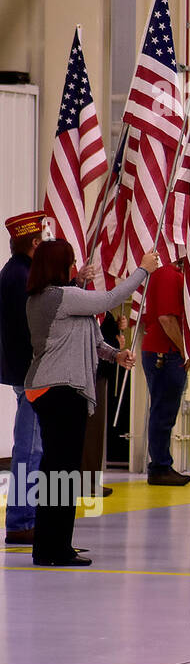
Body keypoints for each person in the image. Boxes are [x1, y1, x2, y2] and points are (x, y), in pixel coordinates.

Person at [25, 240, 158, 565]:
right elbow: (112, 298)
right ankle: (54, 549)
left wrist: (116, 354)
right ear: (58, 266)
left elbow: (92, 339)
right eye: (70, 262)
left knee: (58, 471)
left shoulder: (48, 299)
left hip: (51, 389)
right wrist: (142, 269)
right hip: (60, 391)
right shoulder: (61, 296)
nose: (74, 268)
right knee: (63, 472)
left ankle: (51, 546)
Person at [2, 212, 45, 544]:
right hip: (31, 373)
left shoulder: (15, 272)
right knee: (29, 449)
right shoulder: (22, 278)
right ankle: (20, 521)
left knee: (30, 446)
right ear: (33, 242)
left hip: (24, 371)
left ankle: (25, 517)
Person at [139, 256, 190, 486]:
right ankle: (160, 466)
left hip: (164, 351)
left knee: (164, 411)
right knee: (163, 412)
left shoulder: (168, 274)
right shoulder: (169, 275)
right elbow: (166, 318)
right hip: (165, 352)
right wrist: (184, 350)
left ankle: (161, 464)